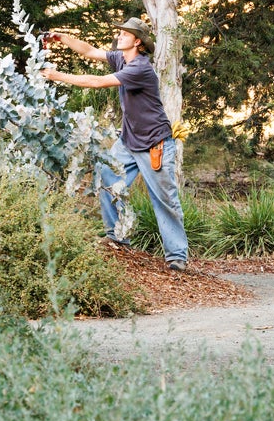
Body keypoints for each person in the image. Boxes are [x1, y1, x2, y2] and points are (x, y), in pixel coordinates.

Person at [41, 18, 188, 272]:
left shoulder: (140, 68)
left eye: (124, 33)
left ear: (138, 41)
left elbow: (96, 82)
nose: (119, 36)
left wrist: (56, 76)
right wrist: (61, 38)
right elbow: (89, 50)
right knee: (107, 177)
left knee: (164, 199)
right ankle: (117, 238)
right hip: (128, 141)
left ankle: (177, 256)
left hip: (155, 143)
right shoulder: (122, 58)